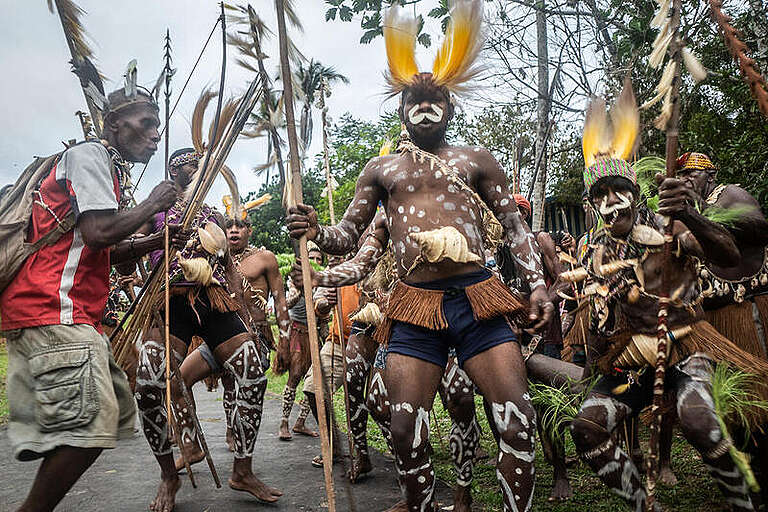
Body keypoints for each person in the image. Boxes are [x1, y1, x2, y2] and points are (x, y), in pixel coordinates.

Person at [287, 2, 551, 509]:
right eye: (415, 99)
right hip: (414, 306)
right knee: (406, 427)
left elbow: (515, 223)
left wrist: (537, 283)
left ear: (451, 108)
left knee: (516, 417)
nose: (425, 107)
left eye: (435, 100)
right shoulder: (381, 169)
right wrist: (316, 229)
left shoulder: (476, 159)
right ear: (401, 109)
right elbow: (349, 237)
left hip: (479, 299)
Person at [569, 83, 768, 511]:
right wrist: (603, 329)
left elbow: (727, 253)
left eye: (617, 192)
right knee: (586, 429)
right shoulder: (593, 251)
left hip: (685, 351)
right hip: (631, 363)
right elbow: (599, 329)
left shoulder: (668, 228)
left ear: (635, 195)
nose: (609, 204)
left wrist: (690, 214)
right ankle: (645, 506)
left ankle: (741, 503)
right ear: (590, 205)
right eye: (598, 196)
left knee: (698, 419)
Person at [0, 86, 180, 512]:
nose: (156, 135)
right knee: (94, 421)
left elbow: (103, 250)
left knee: (112, 411)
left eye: (158, 125)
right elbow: (100, 231)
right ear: (114, 124)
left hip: (62, 312)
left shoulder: (104, 169)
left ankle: (48, 436)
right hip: (51, 307)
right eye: (146, 123)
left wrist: (155, 239)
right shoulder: (90, 156)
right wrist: (153, 202)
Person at [130, 146, 281, 512]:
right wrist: (149, 268)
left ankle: (241, 470)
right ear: (174, 171)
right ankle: (170, 474)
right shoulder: (155, 210)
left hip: (213, 301)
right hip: (169, 301)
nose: (197, 171)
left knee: (251, 367)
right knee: (150, 383)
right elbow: (128, 252)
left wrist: (243, 311)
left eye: (200, 166)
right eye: (190, 166)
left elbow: (228, 265)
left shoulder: (212, 214)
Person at [172, 201, 291, 467]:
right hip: (220, 336)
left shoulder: (264, 259)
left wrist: (284, 341)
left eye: (240, 225)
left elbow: (280, 301)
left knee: (243, 390)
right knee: (179, 381)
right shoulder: (211, 259)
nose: (234, 230)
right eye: (229, 226)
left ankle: (242, 458)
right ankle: (194, 444)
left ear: (250, 229)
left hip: (254, 336)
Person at [274, 242, 325, 440]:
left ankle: (300, 422)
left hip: (313, 334)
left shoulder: (322, 280)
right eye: (311, 258)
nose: (315, 262)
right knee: (295, 376)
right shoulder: (294, 280)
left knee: (314, 381)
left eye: (319, 259)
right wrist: (302, 292)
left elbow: (322, 317)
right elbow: (287, 303)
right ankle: (284, 423)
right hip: (296, 332)